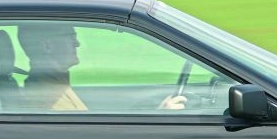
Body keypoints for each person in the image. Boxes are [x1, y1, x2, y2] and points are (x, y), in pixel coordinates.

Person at [17, 22, 186, 112]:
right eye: (70, 37)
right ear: (48, 46)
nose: (77, 43)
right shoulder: (46, 100)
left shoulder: (54, 86)